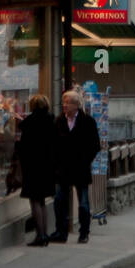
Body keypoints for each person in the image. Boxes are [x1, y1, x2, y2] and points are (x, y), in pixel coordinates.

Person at [49, 89, 101, 244]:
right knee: (59, 200)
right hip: (62, 169)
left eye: (68, 103)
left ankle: (84, 232)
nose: (64, 105)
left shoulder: (87, 121)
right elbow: (53, 143)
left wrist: (85, 160)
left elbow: (95, 145)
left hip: (80, 167)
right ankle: (61, 231)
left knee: (83, 202)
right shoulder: (59, 121)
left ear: (76, 105)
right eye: (63, 102)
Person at [17, 93, 57, 247]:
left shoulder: (31, 123)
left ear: (33, 106)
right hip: (47, 167)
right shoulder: (51, 121)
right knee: (42, 201)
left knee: (34, 201)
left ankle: (40, 235)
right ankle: (45, 233)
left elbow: (24, 146)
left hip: (33, 167)